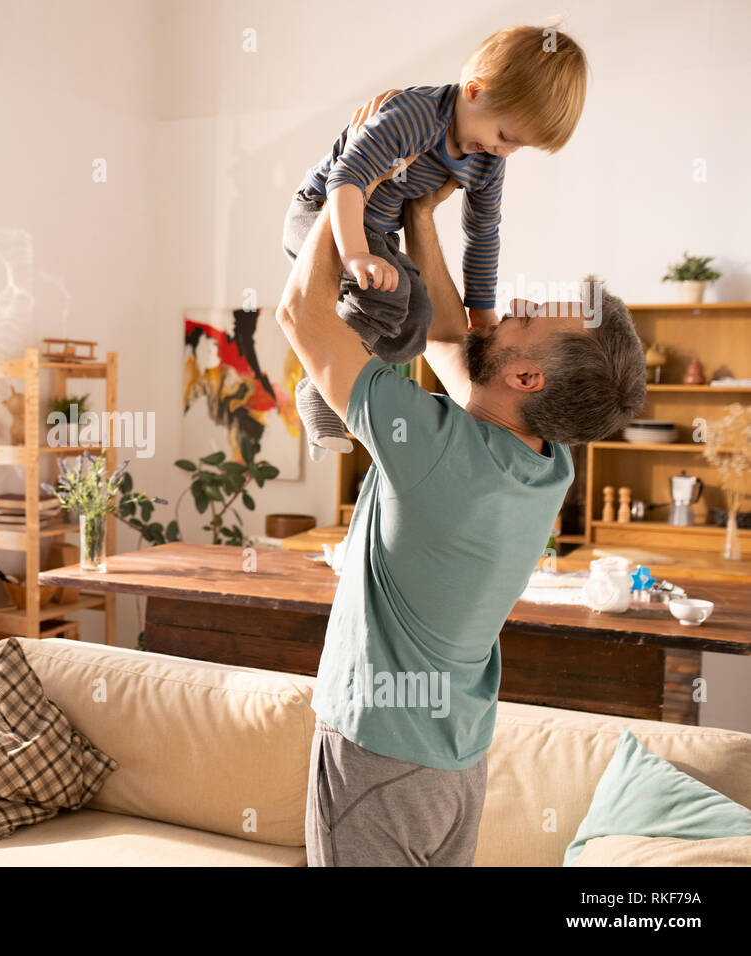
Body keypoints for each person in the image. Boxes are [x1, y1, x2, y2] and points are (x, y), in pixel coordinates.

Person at [273, 102, 648, 866]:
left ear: (528, 374)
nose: (503, 309)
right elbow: (450, 341)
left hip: (378, 753)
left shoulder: (436, 451)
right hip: (454, 764)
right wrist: (418, 209)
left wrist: (354, 175)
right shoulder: (548, 461)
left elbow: (299, 315)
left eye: (525, 317)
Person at [282, 24, 588, 461]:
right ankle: (320, 384)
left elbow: (483, 233)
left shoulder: (487, 162)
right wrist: (354, 254)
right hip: (322, 210)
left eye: (519, 146)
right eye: (505, 136)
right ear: (476, 92)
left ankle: (336, 371)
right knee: (390, 300)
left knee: (416, 322)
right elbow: (347, 176)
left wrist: (481, 310)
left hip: (378, 235)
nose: (504, 152)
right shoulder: (415, 115)